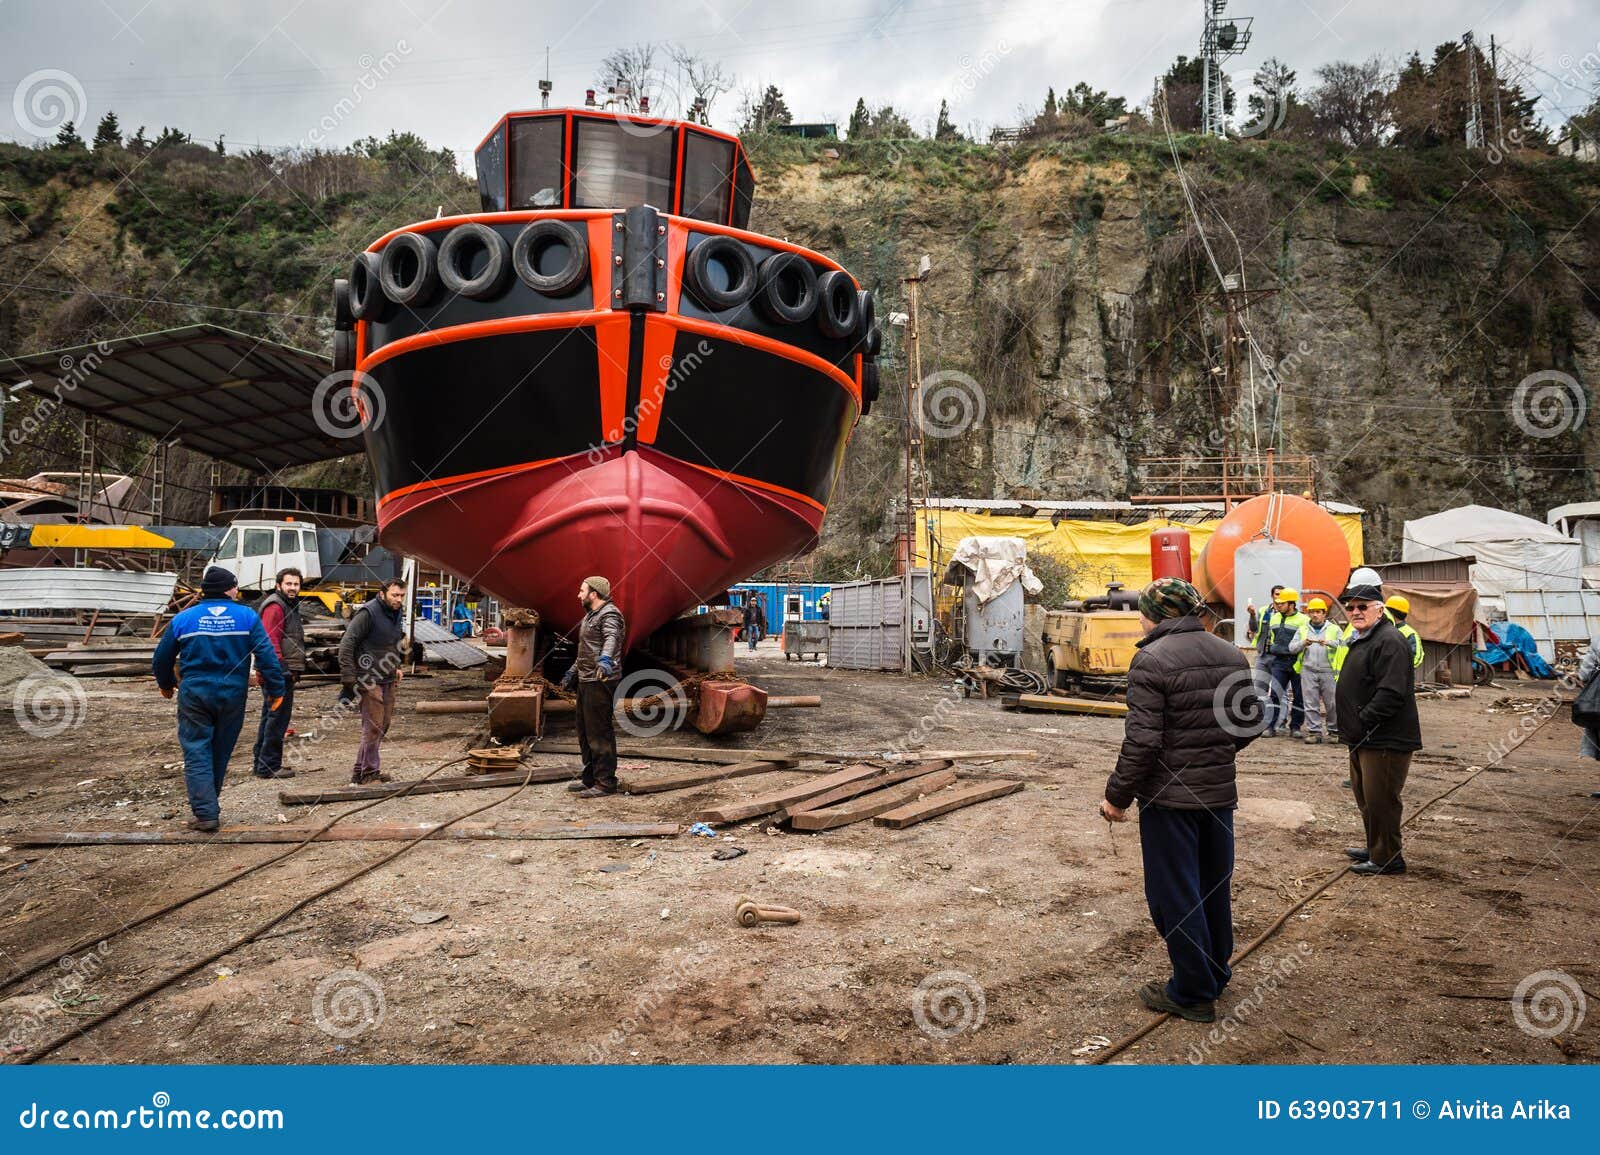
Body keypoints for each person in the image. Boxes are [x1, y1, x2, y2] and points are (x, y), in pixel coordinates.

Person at [1100, 577, 1263, 1024]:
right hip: (1217, 797)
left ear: (1154, 615)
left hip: (1169, 802)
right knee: (1213, 888)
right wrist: (1214, 754)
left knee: (1176, 894)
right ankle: (1214, 972)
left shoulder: (1150, 659)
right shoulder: (1230, 653)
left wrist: (1117, 797)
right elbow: (1248, 723)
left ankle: (1192, 992)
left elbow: (1144, 742)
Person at [152, 566, 286, 832]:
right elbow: (267, 656)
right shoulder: (246, 617)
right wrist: (276, 690)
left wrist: (166, 684)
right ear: (228, 589)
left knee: (196, 750)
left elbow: (161, 658)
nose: (238, 591)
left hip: (194, 694)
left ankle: (205, 812)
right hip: (232, 696)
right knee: (220, 750)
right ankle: (207, 807)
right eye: (235, 586)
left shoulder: (184, 619)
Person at [1336, 574, 1422, 875]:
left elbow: (1391, 693)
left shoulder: (1389, 641)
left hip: (1384, 738)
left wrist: (1362, 720)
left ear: (1380, 609)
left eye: (1363, 606)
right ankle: (1376, 846)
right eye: (1351, 607)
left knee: (1381, 798)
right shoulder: (1367, 638)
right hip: (1363, 737)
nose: (1356, 612)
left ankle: (1387, 857)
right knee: (1367, 797)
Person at [561, 576, 626, 797]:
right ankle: (590, 778)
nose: (578, 595)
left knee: (599, 732)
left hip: (601, 679)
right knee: (584, 730)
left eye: (582, 591)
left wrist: (606, 660)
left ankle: (606, 782)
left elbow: (611, 638)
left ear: (594, 594)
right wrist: (573, 670)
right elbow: (586, 649)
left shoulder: (610, 614)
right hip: (586, 678)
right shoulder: (591, 616)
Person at [339, 579, 408, 785]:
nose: (398, 599)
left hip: (387, 676)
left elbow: (391, 643)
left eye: (402, 596)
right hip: (367, 677)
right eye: (395, 595)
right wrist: (349, 678)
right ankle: (369, 773)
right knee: (374, 725)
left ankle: (360, 770)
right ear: (383, 593)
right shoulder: (368, 613)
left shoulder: (395, 612)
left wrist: (395, 666)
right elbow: (347, 643)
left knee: (383, 724)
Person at [251, 567, 304, 780]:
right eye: (289, 584)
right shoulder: (275, 606)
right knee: (277, 720)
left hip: (279, 671)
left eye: (296, 584)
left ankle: (261, 763)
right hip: (277, 673)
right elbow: (269, 641)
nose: (292, 588)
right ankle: (268, 766)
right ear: (279, 585)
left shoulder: (288, 604)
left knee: (271, 717)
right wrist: (280, 671)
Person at [1290, 597, 1344, 744]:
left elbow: (1344, 645)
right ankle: (1314, 732)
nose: (1315, 615)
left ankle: (1334, 731)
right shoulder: (1303, 630)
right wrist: (1302, 643)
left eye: (1318, 612)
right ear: (1308, 614)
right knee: (1310, 702)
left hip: (1329, 671)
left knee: (1332, 703)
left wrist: (1329, 643)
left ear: (1324, 614)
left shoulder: (1334, 629)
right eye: (1312, 612)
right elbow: (1292, 648)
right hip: (1308, 670)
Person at [1260, 588, 1308, 738]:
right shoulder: (1274, 618)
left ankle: (1296, 727)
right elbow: (1270, 638)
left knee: (1299, 696)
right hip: (1279, 662)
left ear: (1291, 603)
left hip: (1297, 662)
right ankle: (1270, 726)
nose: (1278, 605)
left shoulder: (1303, 620)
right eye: (1277, 603)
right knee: (1274, 694)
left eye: (1282, 603)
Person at [1384, 595, 1425, 672]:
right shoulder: (1383, 629)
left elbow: (1416, 658)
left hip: (1400, 677)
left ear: (1392, 613)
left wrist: (1396, 669)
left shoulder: (1410, 633)